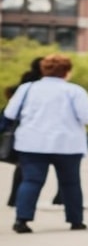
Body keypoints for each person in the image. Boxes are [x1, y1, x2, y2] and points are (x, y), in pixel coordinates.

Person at [4, 54, 88, 233]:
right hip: (67, 144)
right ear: (67, 71)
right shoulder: (74, 91)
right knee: (70, 182)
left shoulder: (27, 88)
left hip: (32, 143)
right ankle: (75, 220)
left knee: (31, 181)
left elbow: (10, 113)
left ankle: (22, 219)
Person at [6, 58, 43, 209]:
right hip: (32, 129)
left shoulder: (28, 82)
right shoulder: (32, 82)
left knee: (23, 168)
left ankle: (14, 199)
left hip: (28, 131)